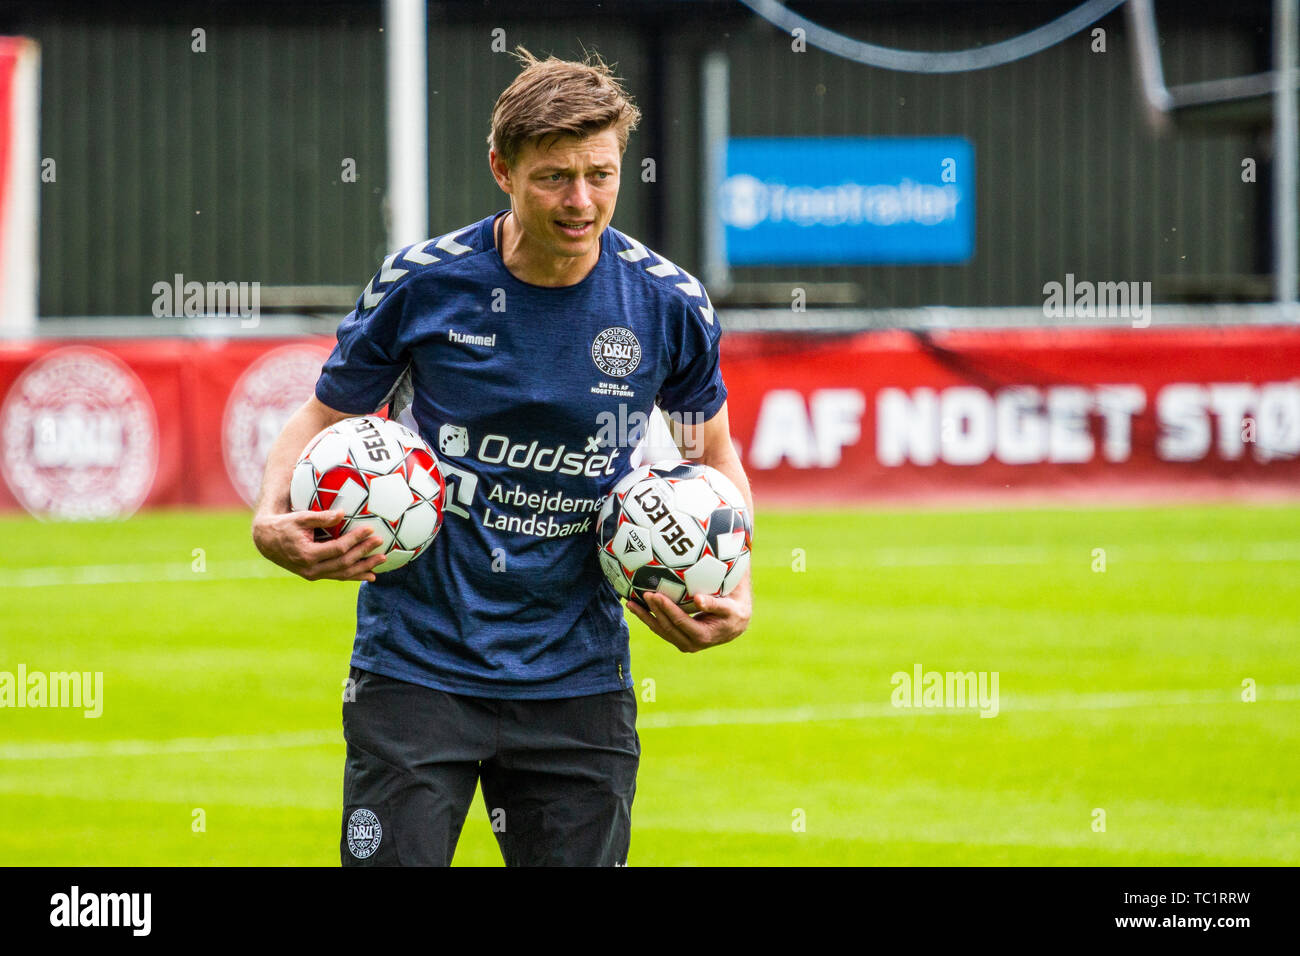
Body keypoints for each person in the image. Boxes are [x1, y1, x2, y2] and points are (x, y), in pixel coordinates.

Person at [251, 48, 753, 867]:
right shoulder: (424, 284)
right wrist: (268, 519)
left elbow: (713, 464)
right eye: (555, 176)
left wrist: (734, 583)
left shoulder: (668, 303)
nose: (581, 201)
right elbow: (322, 413)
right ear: (501, 168)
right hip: (417, 668)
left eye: (600, 173)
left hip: (579, 680)